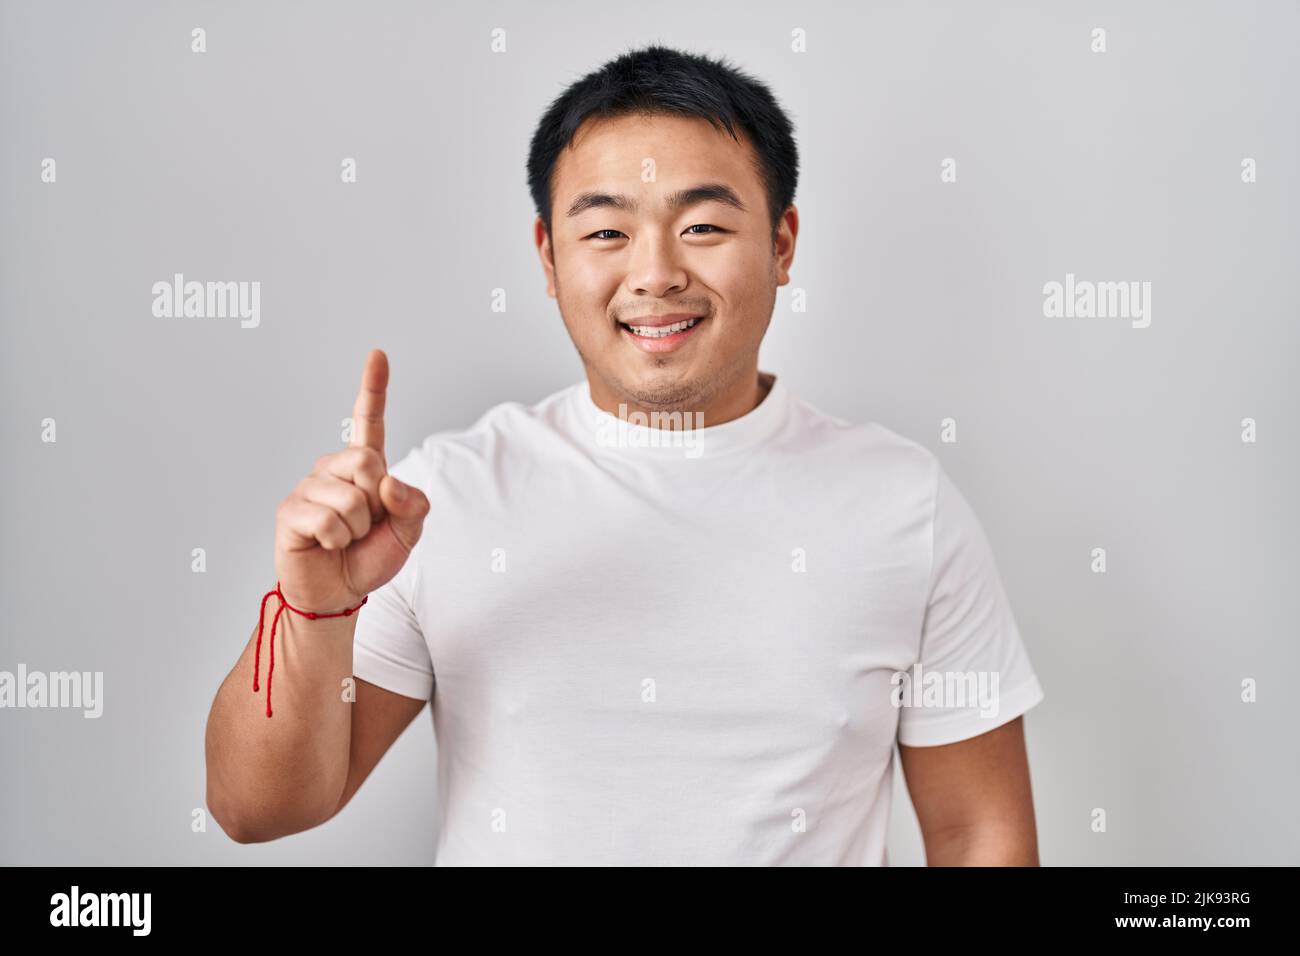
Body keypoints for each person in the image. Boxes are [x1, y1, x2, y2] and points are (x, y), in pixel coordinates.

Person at [204, 44, 1045, 865]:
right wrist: (312, 605)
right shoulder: (438, 500)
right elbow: (256, 810)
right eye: (607, 231)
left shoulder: (902, 503)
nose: (655, 274)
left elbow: (979, 834)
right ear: (549, 257)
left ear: (782, 244)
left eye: (704, 225)